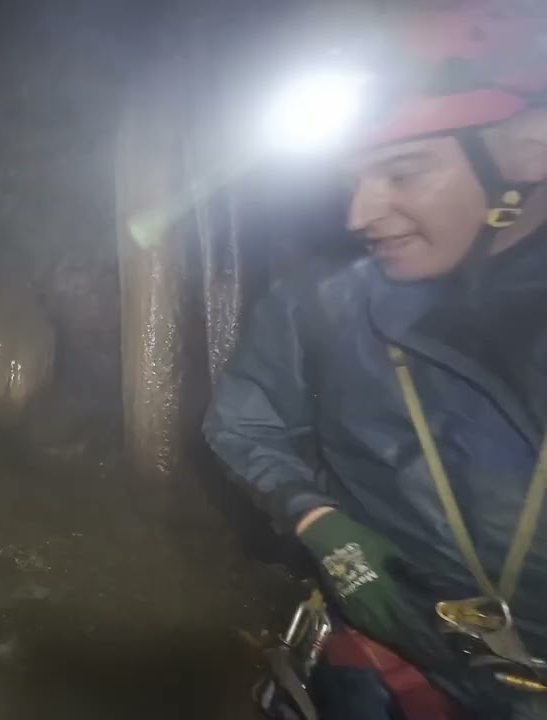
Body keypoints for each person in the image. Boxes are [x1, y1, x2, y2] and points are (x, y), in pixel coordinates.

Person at [204, 3, 547, 719]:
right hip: (381, 675)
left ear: (526, 148)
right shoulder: (325, 306)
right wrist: (315, 518)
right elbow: (243, 422)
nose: (360, 213)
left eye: (402, 171)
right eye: (351, 180)